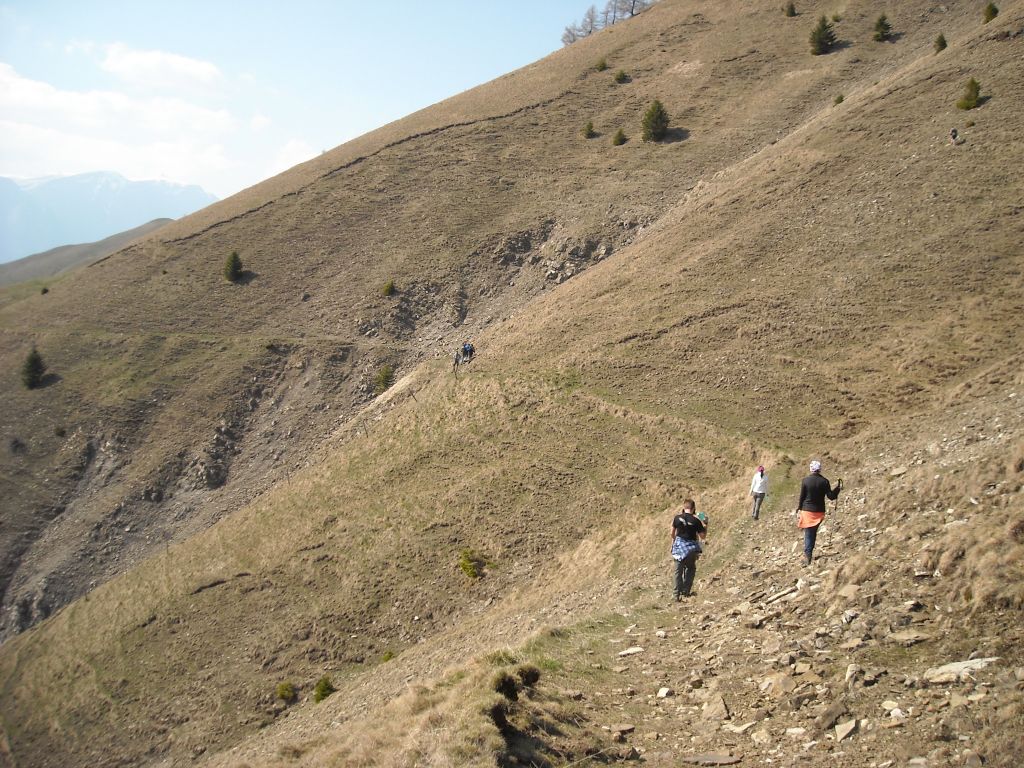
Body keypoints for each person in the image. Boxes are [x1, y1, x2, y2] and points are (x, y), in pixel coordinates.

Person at [795, 460, 842, 566]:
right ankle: (809, 552)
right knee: (812, 532)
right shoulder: (824, 481)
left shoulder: (805, 481)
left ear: (811, 469)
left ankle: (808, 555)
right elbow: (831, 496)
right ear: (819, 469)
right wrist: (837, 489)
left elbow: (802, 496)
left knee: (809, 532)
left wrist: (799, 508)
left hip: (807, 510)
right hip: (819, 512)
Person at [671, 499, 706, 600]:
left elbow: (672, 534)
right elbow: (702, 536)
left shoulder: (677, 518)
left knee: (678, 571)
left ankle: (676, 595)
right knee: (691, 568)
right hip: (691, 549)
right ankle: (686, 590)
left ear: (684, 507)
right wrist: (705, 525)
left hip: (679, 548)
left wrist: (673, 544)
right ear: (693, 508)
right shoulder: (696, 520)